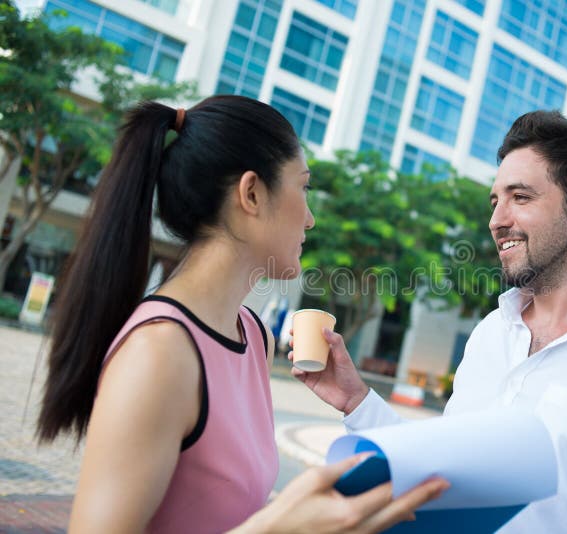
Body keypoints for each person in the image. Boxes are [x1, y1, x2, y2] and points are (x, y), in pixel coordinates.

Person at [292, 111, 567, 533]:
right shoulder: (490, 334)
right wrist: (356, 400)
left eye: (521, 197)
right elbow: (443, 481)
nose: (497, 220)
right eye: (495, 201)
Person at [36, 95, 448, 533]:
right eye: (303, 188)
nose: (310, 219)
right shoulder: (159, 354)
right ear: (251, 193)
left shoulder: (253, 335)